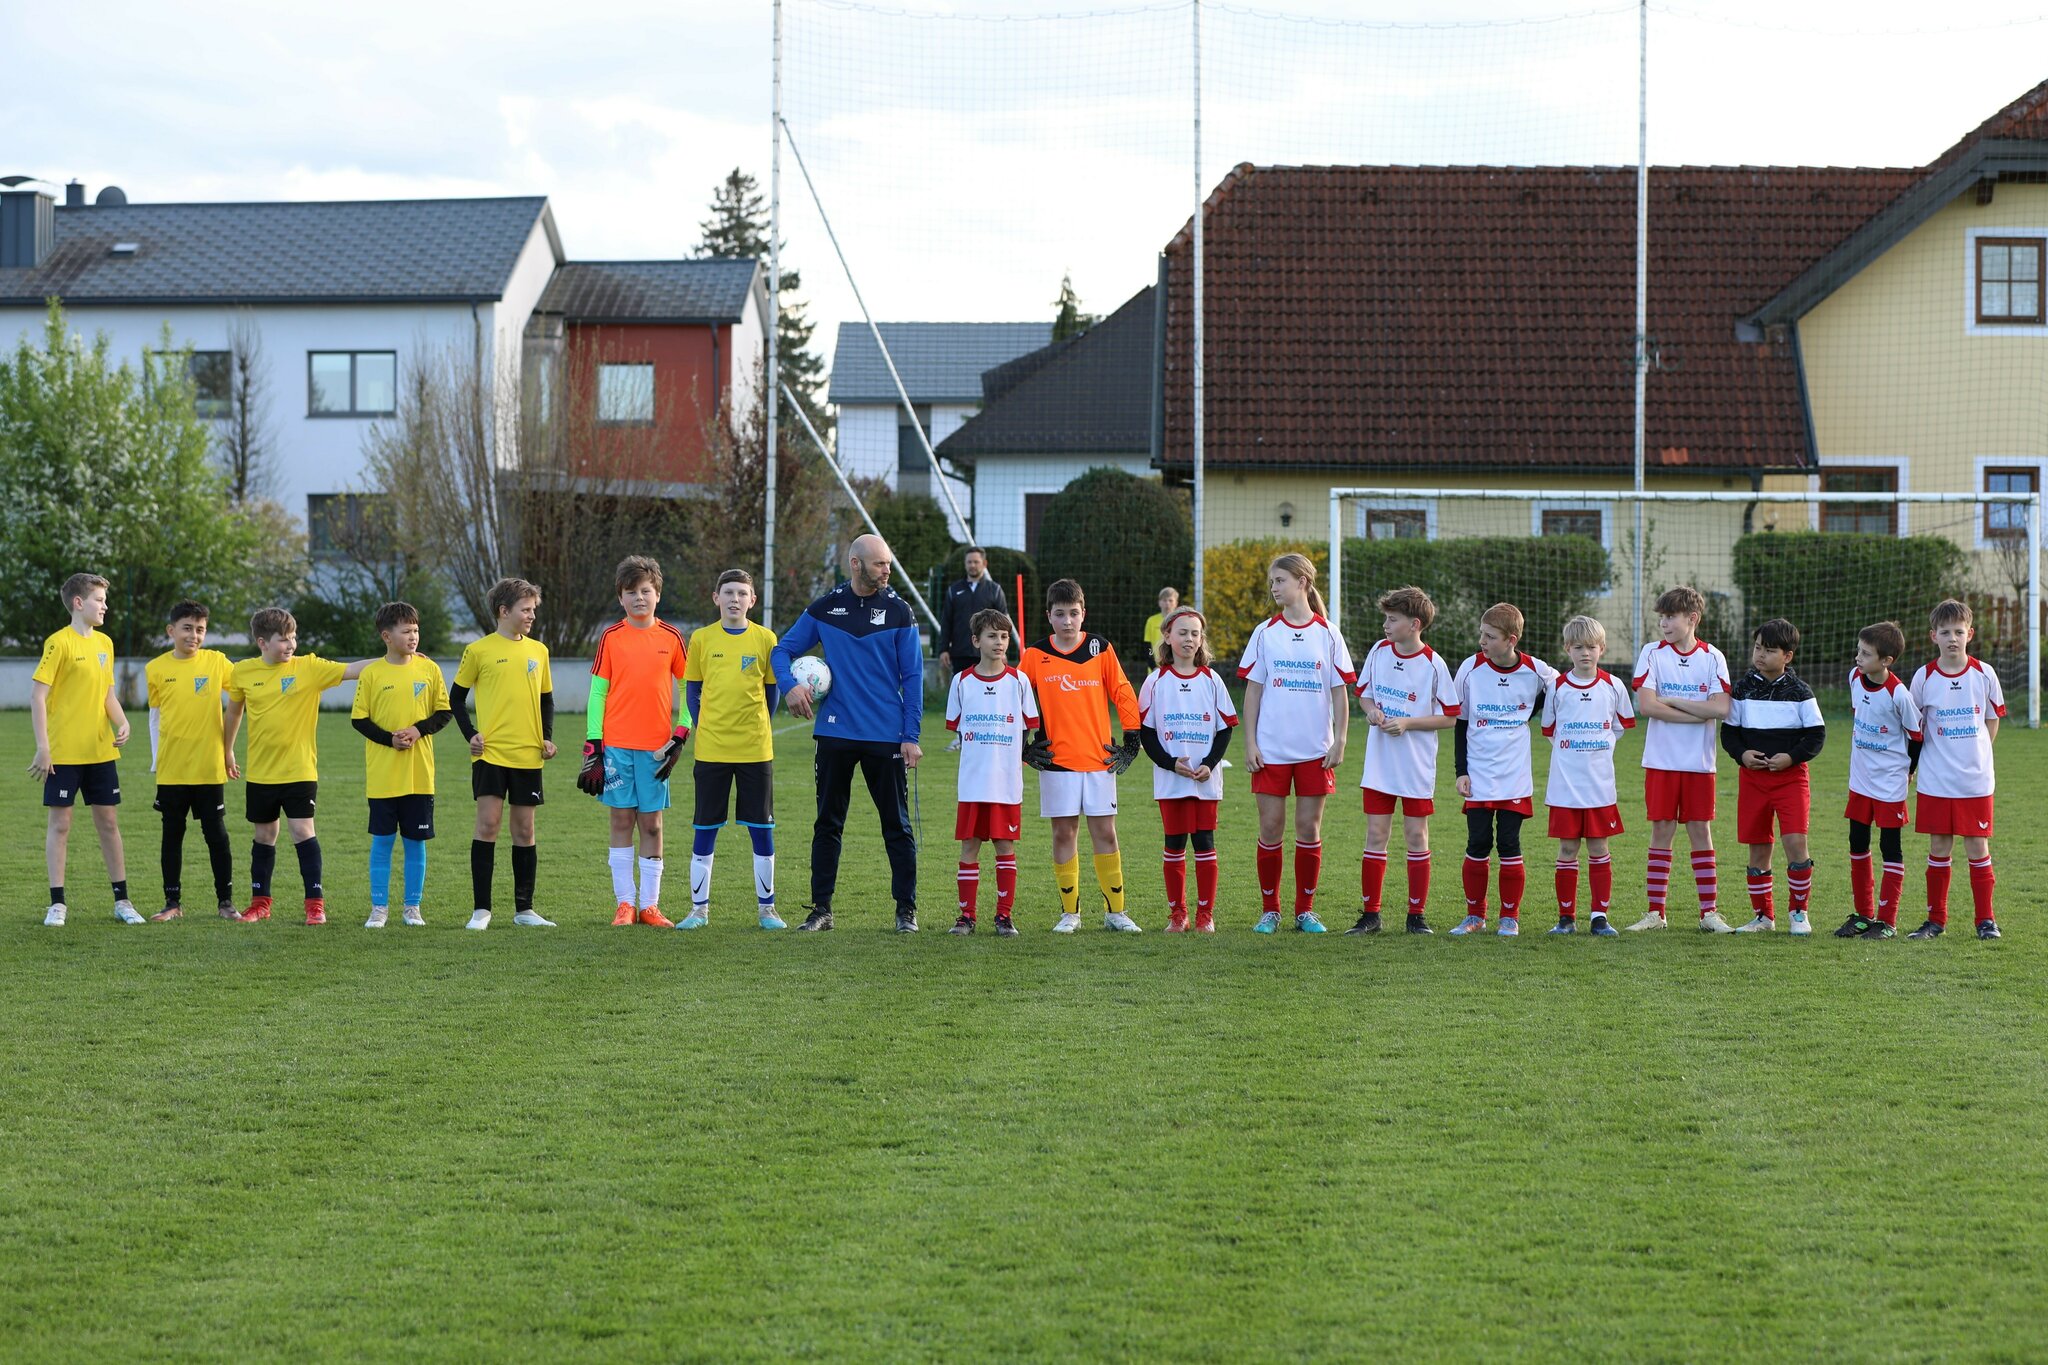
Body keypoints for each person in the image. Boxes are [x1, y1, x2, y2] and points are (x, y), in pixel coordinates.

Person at [771, 533, 924, 932]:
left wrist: (911, 736)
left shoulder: (900, 612)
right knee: (828, 823)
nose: (887, 570)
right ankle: (821, 910)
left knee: (896, 825)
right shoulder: (826, 608)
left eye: (888, 563)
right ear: (856, 565)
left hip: (886, 735)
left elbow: (913, 677)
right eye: (880, 564)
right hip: (836, 732)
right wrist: (789, 686)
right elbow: (781, 651)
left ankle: (905, 910)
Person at [222, 607, 373, 925]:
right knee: (264, 835)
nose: (291, 644)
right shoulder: (243, 672)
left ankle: (315, 905)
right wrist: (228, 751)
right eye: (283, 639)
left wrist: (395, 659)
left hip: (299, 770)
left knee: (303, 831)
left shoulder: (309, 668)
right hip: (261, 773)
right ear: (262, 642)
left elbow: (352, 670)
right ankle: (260, 904)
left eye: (293, 637)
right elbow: (234, 712)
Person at [1019, 578, 1144, 933]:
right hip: (1057, 762)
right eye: (1060, 614)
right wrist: (1023, 746)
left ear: (1083, 613)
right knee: (1064, 833)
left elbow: (1122, 691)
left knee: (1106, 833)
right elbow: (1016, 699)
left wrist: (1132, 739)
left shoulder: (1099, 648)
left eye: (1073, 613)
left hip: (1100, 759)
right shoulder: (1034, 655)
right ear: (1049, 616)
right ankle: (1070, 914)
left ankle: (1116, 912)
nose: (1068, 621)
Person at [1238, 553, 1352, 933]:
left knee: (1308, 828)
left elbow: (1340, 692)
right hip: (1271, 749)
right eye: (1272, 581)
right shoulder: (1265, 632)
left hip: (1315, 751)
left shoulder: (1328, 633)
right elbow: (1253, 692)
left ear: (1302, 581)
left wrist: (1339, 741)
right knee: (1270, 827)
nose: (1273, 587)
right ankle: (1270, 910)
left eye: (1280, 580)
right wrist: (1250, 742)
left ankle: (1305, 911)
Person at [578, 556, 691, 928]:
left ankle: (650, 906)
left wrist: (681, 733)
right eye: (631, 592)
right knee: (622, 818)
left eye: (645, 591)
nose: (639, 598)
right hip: (616, 746)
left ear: (658, 595)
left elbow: (690, 689)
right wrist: (594, 743)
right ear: (620, 598)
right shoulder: (611, 637)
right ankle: (625, 904)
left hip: (657, 750)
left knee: (653, 824)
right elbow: (598, 693)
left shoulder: (671, 638)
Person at [1348, 585, 1459, 934]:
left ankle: (1416, 916)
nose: (1386, 625)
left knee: (1416, 836)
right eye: (1386, 618)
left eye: (1392, 619)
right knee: (1376, 834)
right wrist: (1371, 711)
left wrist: (1409, 723)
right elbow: (1364, 695)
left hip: (1415, 767)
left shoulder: (1433, 664)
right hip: (1379, 764)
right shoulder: (1379, 651)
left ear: (1414, 624)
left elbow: (1450, 717)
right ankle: (1370, 916)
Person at [29, 572, 135, 927]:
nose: (105, 606)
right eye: (99, 600)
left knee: (109, 824)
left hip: (101, 751)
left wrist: (122, 721)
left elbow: (108, 694)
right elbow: (37, 697)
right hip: (63, 754)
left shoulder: (105, 643)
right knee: (60, 825)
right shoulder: (58, 643)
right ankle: (57, 904)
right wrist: (43, 747)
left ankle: (122, 902)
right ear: (79, 603)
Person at [451, 577, 557, 931]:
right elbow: (455, 699)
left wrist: (547, 738)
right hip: (491, 755)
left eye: (533, 610)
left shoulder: (539, 651)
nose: (531, 616)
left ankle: (525, 910)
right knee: (488, 825)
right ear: (503, 611)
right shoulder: (477, 651)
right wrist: (471, 735)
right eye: (525, 610)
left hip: (528, 755)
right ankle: (481, 910)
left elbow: (546, 700)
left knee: (525, 829)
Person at [1626, 585, 1734, 933]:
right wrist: (1697, 713)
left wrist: (1672, 701)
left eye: (1671, 617)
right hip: (1661, 761)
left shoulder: (1713, 657)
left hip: (1699, 764)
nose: (1664, 624)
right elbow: (1647, 706)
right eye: (1662, 617)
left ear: (1693, 618)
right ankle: (1655, 913)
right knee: (1662, 830)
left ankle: (1709, 913)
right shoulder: (1652, 653)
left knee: (1700, 831)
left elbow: (1721, 708)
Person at [681, 568, 783, 931]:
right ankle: (699, 910)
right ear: (716, 598)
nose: (735, 599)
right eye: (728, 593)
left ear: (752, 600)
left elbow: (771, 693)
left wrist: (758, 726)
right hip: (712, 750)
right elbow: (693, 690)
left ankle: (767, 910)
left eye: (742, 593)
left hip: (755, 749)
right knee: (705, 827)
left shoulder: (766, 639)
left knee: (761, 829)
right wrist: (705, 725)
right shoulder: (701, 639)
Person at [1449, 602, 1557, 938]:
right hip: (1478, 774)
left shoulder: (1537, 670)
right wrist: (1461, 771)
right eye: (1482, 634)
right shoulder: (1470, 668)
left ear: (1511, 640)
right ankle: (1474, 915)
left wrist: (1532, 712)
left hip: (1514, 776)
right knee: (1478, 841)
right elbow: (1460, 723)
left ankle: (1510, 917)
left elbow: (1560, 688)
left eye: (1490, 636)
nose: (1482, 641)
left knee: (1509, 843)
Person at [350, 602, 454, 928]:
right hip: (383, 776)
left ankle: (412, 908)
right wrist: (389, 740)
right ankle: (378, 908)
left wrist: (418, 730)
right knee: (382, 842)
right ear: (386, 636)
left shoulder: (429, 669)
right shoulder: (372, 674)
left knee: (415, 843)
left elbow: (444, 712)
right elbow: (359, 720)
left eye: (416, 630)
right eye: (406, 631)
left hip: (419, 776)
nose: (413, 636)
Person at [1906, 599, 2005, 940]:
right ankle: (1936, 921)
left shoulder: (1984, 673)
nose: (1952, 638)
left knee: (1978, 848)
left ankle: (1986, 921)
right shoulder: (1924, 677)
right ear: (1933, 635)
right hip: (1936, 779)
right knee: (1939, 847)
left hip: (1974, 780)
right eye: (1945, 632)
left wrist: (1977, 752)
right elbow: (1915, 725)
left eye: (1959, 632)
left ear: (1970, 634)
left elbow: (1992, 719)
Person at [1723, 618, 1826, 935]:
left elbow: (1816, 736)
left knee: (1795, 842)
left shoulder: (1800, 692)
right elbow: (1729, 734)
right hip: (1753, 780)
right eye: (1757, 648)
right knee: (1758, 848)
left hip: (1790, 779)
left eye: (1769, 650)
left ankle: (1799, 913)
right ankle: (1763, 917)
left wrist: (1790, 758)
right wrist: (1742, 755)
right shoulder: (1742, 689)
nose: (1760, 655)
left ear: (1787, 656)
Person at [1139, 607, 1236, 932]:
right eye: (1182, 632)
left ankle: (1205, 915)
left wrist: (1209, 763)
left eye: (1195, 633)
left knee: (1205, 842)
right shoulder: (1155, 681)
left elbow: (1224, 729)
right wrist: (1170, 764)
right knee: (1174, 843)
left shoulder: (1211, 679)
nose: (1189, 639)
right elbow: (1147, 733)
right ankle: (1178, 915)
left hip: (1205, 780)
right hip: (1171, 780)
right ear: (1167, 636)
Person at [1539, 615, 1636, 936]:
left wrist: (1595, 751)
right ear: (1567, 648)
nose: (1585, 653)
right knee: (1567, 849)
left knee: (1599, 847)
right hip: (1565, 786)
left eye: (1591, 647)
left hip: (1599, 786)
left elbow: (1620, 727)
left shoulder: (1613, 686)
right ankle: (1566, 918)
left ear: (1602, 649)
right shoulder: (1557, 687)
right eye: (1578, 647)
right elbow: (1550, 730)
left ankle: (1599, 917)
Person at [945, 608, 1038, 935]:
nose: (999, 642)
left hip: (1005, 784)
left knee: (1004, 846)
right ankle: (966, 916)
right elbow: (958, 728)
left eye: (1004, 636)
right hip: (972, 784)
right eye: (991, 636)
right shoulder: (961, 682)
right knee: (969, 846)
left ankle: (1003, 916)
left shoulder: (1019, 681)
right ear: (976, 641)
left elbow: (1028, 729)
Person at [143, 600, 235, 921]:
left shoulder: (217, 662)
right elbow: (155, 719)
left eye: (200, 629)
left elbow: (241, 694)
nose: (193, 635)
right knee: (172, 835)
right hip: (172, 769)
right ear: (171, 631)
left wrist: (228, 749)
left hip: (209, 766)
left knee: (217, 835)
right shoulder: (155, 669)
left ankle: (226, 903)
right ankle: (172, 903)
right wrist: (156, 760)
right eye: (187, 628)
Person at [1836, 621, 1922, 939]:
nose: (1858, 657)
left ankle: (1887, 921)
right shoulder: (1854, 678)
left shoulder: (1898, 694)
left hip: (1889, 784)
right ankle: (1862, 915)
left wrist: (1909, 771)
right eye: (1859, 650)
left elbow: (1916, 736)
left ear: (1886, 660)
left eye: (1866, 653)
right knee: (1857, 843)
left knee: (1889, 847)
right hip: (1860, 780)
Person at [938, 546, 1009, 681]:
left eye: (976, 562)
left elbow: (1003, 624)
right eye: (969, 562)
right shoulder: (954, 590)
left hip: (986, 653)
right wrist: (943, 649)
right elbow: (946, 621)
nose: (972, 565)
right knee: (962, 689)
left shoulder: (995, 590)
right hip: (960, 653)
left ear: (984, 563)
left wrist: (1002, 651)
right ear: (965, 564)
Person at [1142, 587, 1180, 661]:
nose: (1167, 603)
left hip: (1174, 665)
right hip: (1155, 665)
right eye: (1164, 600)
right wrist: (1152, 665)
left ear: (1176, 603)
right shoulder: (1151, 621)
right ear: (1159, 602)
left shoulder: (1180, 621)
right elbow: (1147, 646)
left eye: (1170, 600)